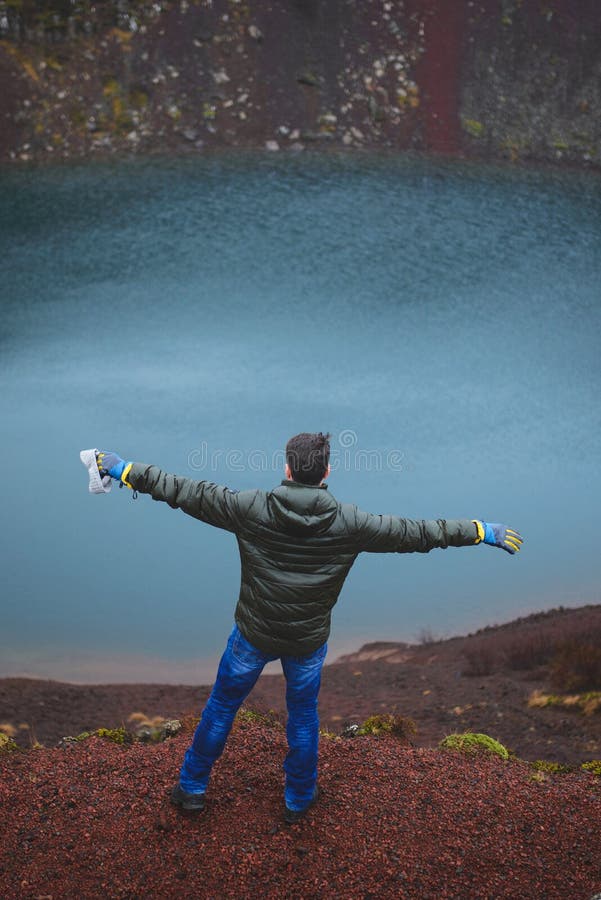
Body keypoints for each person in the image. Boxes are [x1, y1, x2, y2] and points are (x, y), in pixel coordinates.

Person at [93, 433, 523, 824]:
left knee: (222, 708)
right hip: (306, 641)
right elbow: (419, 533)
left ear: (287, 468)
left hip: (253, 633)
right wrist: (481, 531)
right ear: (326, 472)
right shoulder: (352, 523)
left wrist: (123, 469)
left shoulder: (249, 507)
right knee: (302, 717)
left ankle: (191, 789)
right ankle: (298, 798)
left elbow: (183, 491)